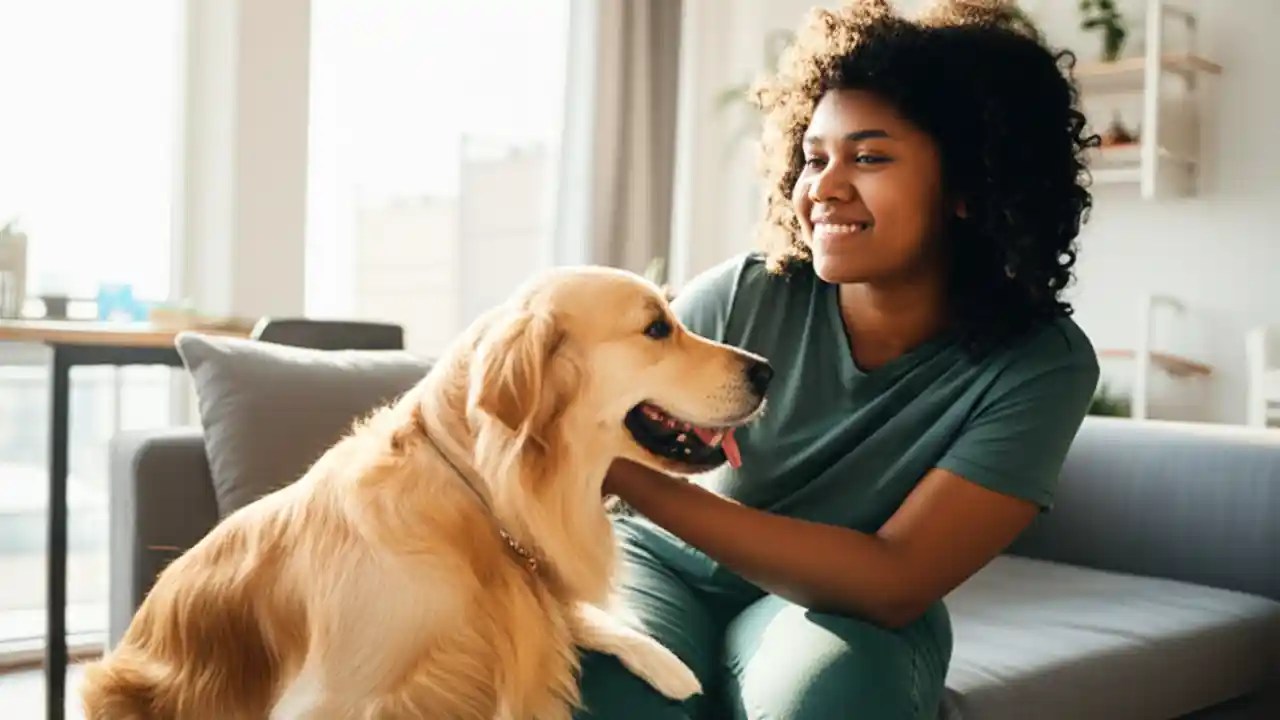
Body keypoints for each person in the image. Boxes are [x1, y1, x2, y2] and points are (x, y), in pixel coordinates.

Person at [576, 1, 1101, 718]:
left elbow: (896, 579)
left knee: (833, 701)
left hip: (845, 608)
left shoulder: (1041, 365)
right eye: (815, 156)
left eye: (870, 156)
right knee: (607, 692)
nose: (822, 186)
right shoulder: (744, 295)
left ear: (971, 189)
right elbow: (582, 429)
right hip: (658, 570)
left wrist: (637, 480)